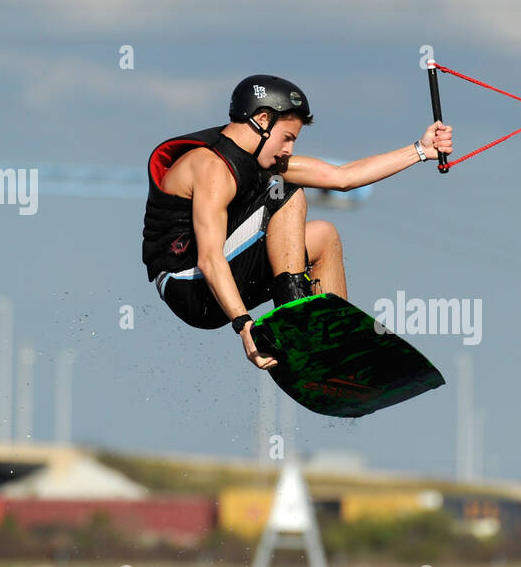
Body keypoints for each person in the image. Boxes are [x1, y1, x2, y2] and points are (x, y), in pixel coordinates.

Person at [143, 74, 452, 370]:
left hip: (216, 280)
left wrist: (421, 151)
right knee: (285, 192)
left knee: (323, 235)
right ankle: (298, 322)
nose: (289, 149)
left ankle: (336, 346)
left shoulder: (261, 161)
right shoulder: (211, 166)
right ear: (262, 121)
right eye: (287, 138)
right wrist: (244, 324)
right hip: (189, 286)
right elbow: (209, 259)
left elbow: (341, 177)